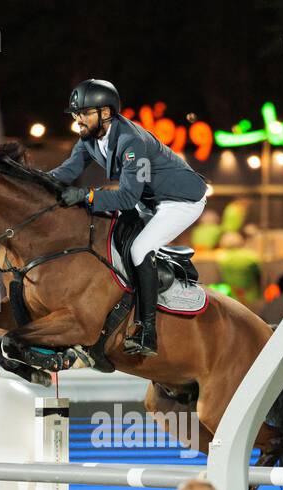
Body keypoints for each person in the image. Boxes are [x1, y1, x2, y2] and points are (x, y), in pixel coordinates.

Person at [49, 79, 208, 357]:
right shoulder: (89, 139)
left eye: (84, 114)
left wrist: (87, 197)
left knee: (139, 248)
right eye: (76, 115)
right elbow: (64, 172)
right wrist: (31, 182)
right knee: (110, 239)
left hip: (180, 201)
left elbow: (125, 198)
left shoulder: (131, 141)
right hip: (150, 200)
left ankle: (147, 332)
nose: (78, 120)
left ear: (106, 113)